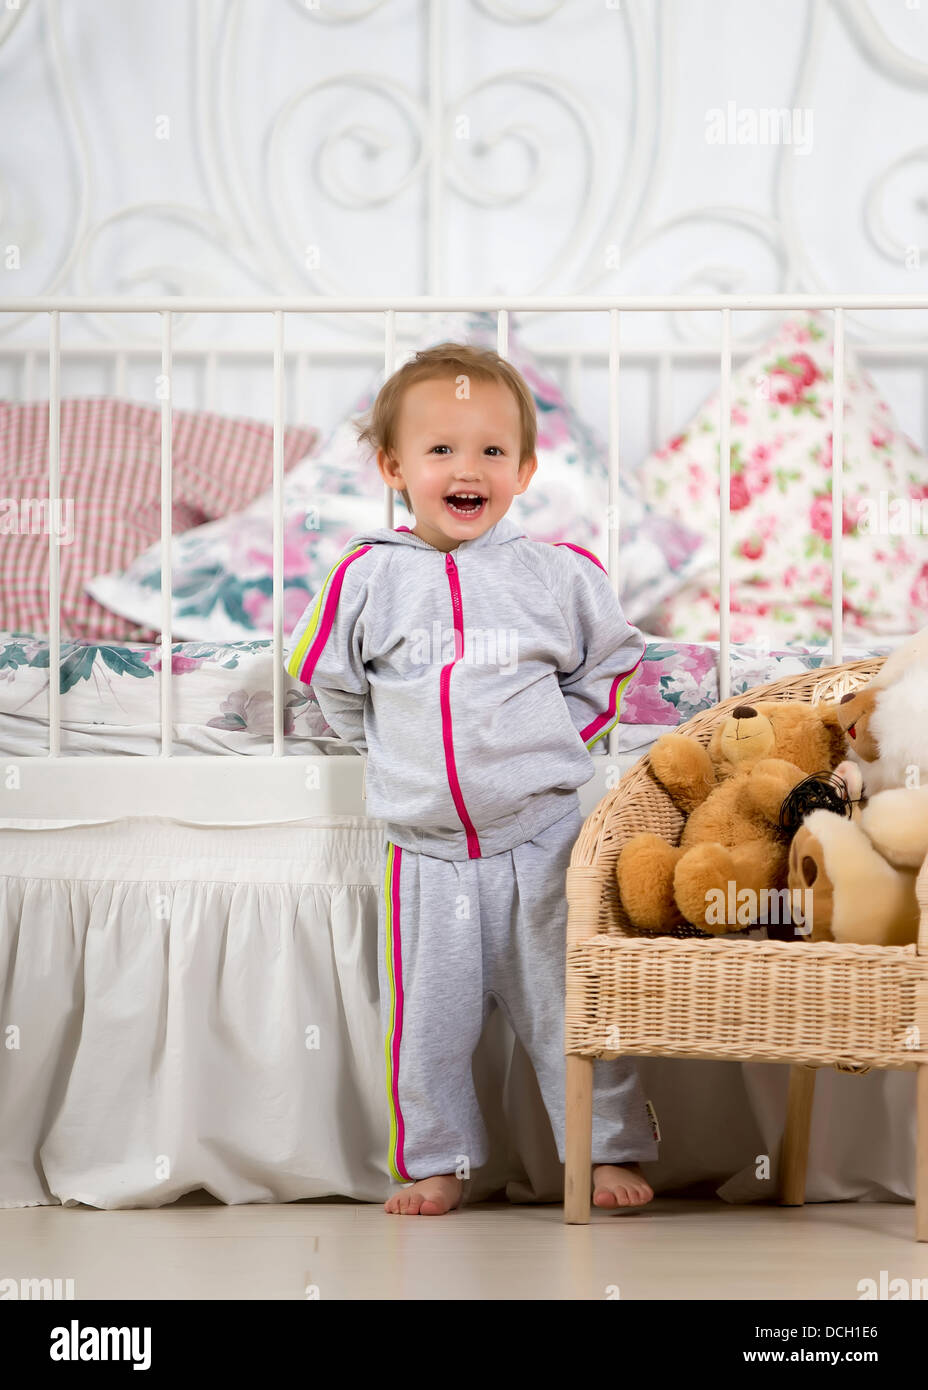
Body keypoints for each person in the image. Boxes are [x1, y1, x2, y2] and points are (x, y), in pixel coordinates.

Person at [284, 341, 658, 1216]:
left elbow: (609, 668)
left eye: (493, 451)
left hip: (544, 837)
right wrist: (378, 742)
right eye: (441, 449)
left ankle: (603, 1152)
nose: (468, 469)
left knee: (573, 1003)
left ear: (524, 470)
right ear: (394, 467)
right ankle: (436, 1159)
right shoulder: (367, 576)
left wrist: (550, 739)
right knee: (428, 1026)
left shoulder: (556, 576)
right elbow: (329, 676)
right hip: (428, 852)